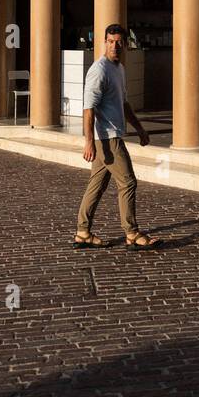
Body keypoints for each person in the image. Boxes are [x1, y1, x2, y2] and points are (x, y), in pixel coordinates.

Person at [74, 23, 159, 249]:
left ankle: (82, 232)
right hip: (107, 138)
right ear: (104, 43)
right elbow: (88, 109)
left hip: (109, 137)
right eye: (110, 42)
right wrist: (89, 142)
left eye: (119, 42)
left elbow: (123, 103)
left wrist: (140, 129)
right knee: (128, 182)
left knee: (97, 184)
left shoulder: (119, 69)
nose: (114, 46)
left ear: (125, 45)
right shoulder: (99, 70)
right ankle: (131, 233)